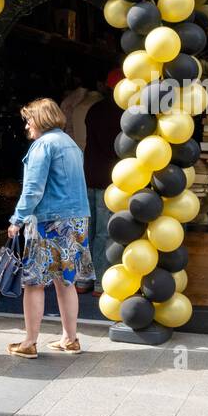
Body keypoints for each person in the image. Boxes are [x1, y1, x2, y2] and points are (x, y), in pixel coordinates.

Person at [6, 97, 93, 358]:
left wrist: (17, 219)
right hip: (76, 220)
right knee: (65, 281)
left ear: (40, 119)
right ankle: (70, 339)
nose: (26, 126)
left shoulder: (43, 145)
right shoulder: (70, 144)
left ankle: (29, 342)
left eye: (29, 120)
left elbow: (33, 190)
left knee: (34, 283)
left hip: (50, 221)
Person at [82, 70, 124, 291]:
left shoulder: (95, 109)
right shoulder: (123, 114)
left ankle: (82, 279)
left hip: (89, 174)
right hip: (110, 178)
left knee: (86, 229)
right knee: (103, 232)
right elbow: (114, 147)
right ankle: (99, 281)